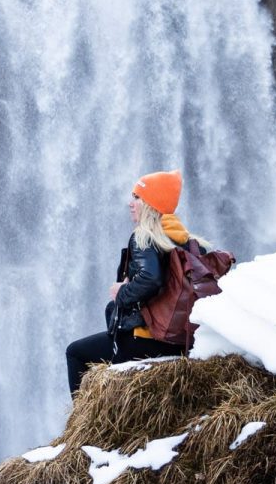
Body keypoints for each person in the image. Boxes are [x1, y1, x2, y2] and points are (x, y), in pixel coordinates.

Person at [65, 169, 191, 395]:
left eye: (137, 197)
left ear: (151, 204)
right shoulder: (186, 241)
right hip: (177, 339)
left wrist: (121, 291)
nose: (130, 203)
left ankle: (82, 422)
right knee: (108, 319)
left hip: (149, 340)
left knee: (75, 352)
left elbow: (151, 278)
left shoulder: (144, 236)